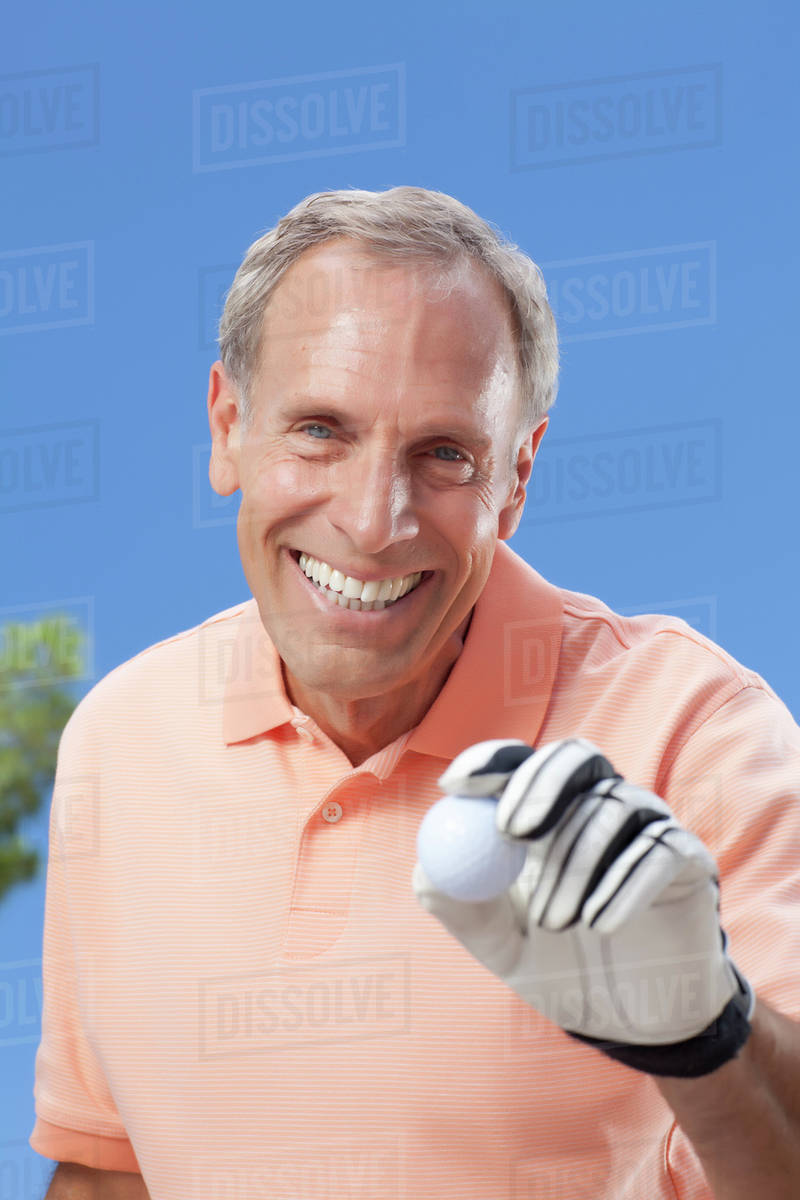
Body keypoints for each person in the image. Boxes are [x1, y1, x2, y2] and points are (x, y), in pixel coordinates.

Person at [31, 187, 800, 1199]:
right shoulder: (118, 742)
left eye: (443, 454)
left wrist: (706, 1027)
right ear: (228, 427)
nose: (373, 521)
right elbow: (106, 1168)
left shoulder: (690, 733)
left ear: (516, 477)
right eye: (319, 429)